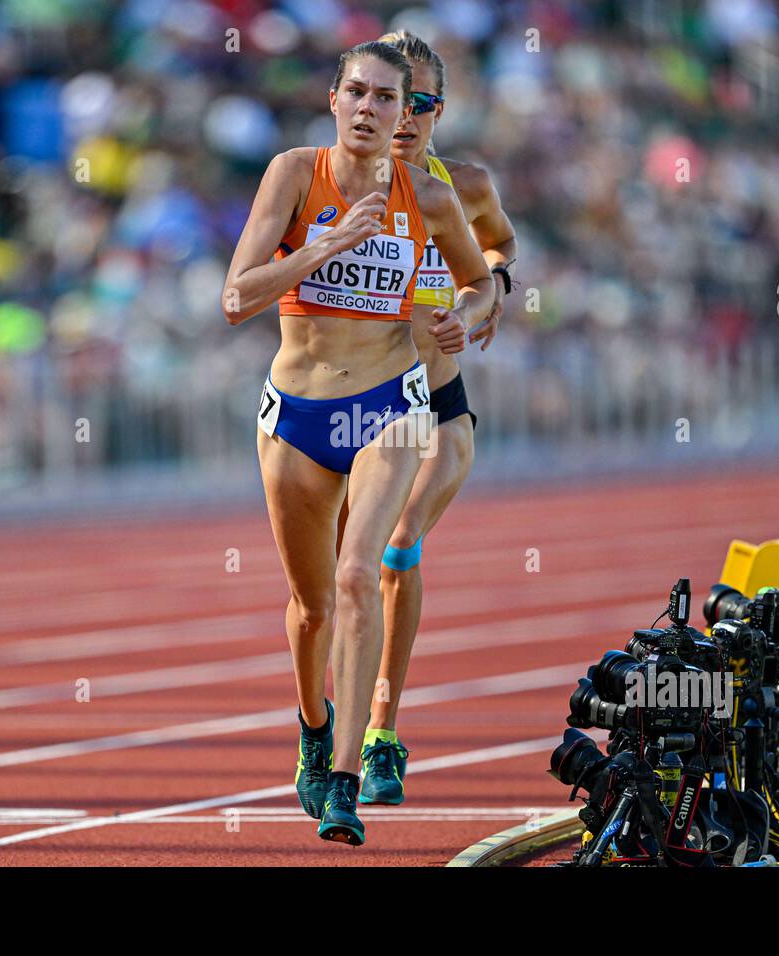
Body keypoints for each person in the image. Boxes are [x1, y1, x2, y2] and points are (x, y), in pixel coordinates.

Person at [221, 40, 495, 845]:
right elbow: (236, 297)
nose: (374, 110)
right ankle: (314, 725)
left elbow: (481, 280)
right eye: (360, 93)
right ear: (334, 100)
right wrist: (325, 246)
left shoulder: (431, 196)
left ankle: (344, 779)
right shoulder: (294, 174)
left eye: (391, 99)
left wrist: (467, 316)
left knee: (356, 574)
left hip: (392, 406)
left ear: (410, 112)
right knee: (310, 610)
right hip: (299, 415)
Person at [348, 31, 518, 807]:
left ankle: (384, 729)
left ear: (437, 110)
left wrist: (488, 295)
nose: (404, 118)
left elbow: (499, 251)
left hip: (439, 403)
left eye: (418, 104)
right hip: (359, 407)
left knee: (398, 547)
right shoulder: (338, 181)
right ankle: (327, 736)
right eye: (389, 99)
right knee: (335, 583)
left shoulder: (465, 186)